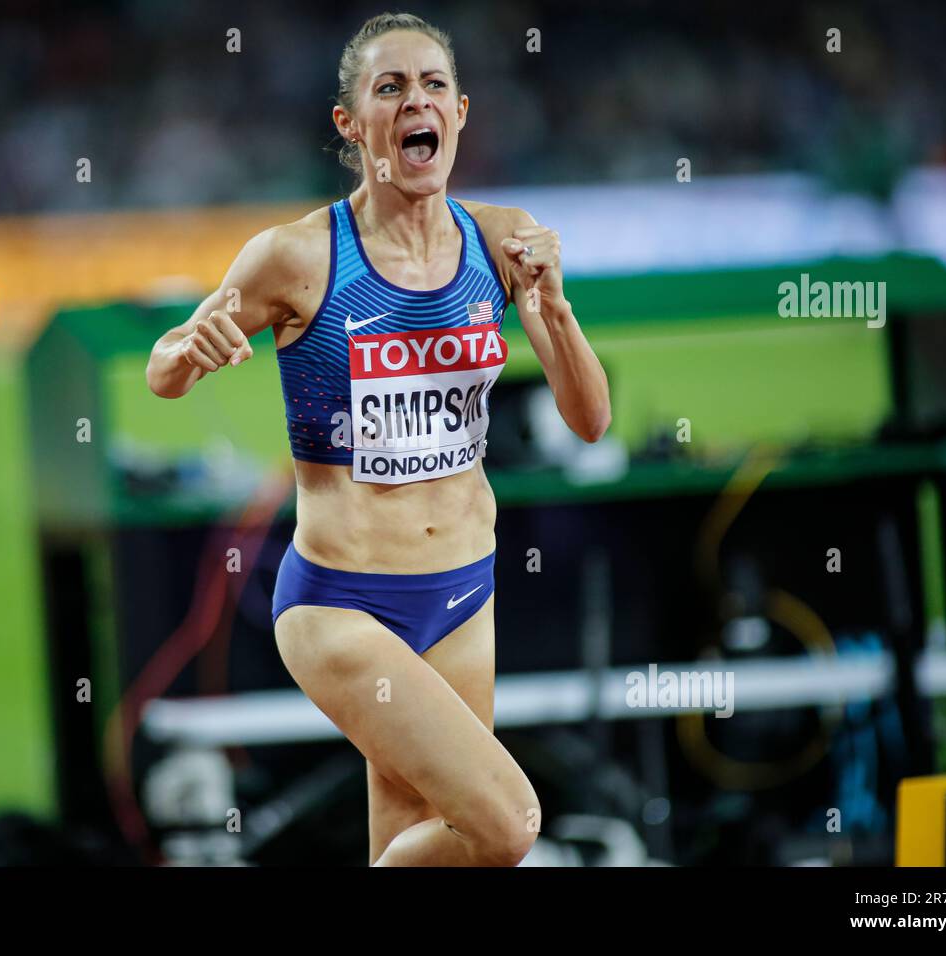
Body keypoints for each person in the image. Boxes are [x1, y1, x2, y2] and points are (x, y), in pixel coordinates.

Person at [146, 12, 610, 866]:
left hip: (465, 592)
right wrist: (188, 351)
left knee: (415, 842)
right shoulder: (296, 257)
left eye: (432, 85)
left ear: (460, 112)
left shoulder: (502, 242)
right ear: (350, 124)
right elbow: (163, 367)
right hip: (342, 603)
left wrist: (554, 308)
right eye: (389, 87)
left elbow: (589, 421)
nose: (413, 102)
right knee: (506, 826)